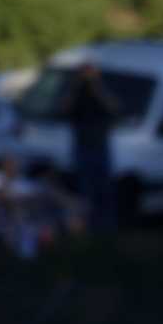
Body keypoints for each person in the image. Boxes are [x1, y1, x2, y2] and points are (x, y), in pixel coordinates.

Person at [63, 61, 120, 231]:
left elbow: (114, 107)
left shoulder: (101, 90)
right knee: (85, 190)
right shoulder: (76, 93)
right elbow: (64, 109)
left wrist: (96, 85)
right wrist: (76, 85)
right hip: (83, 147)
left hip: (100, 146)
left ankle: (106, 225)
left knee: (104, 188)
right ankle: (88, 224)